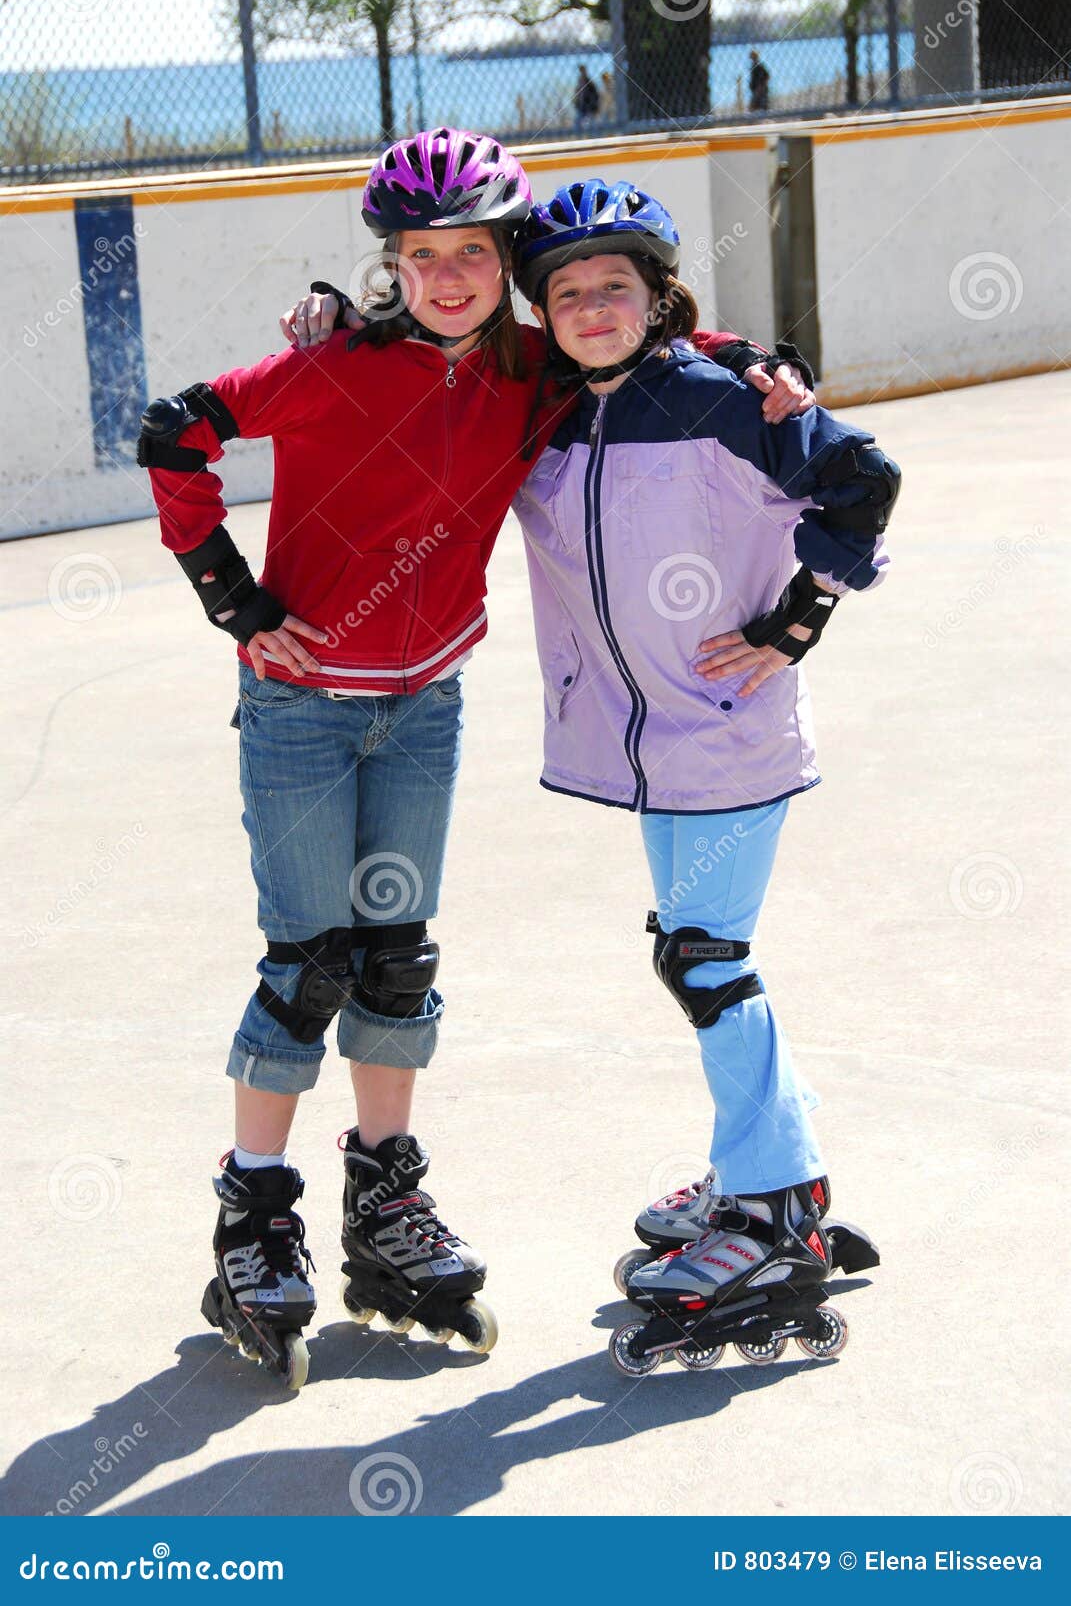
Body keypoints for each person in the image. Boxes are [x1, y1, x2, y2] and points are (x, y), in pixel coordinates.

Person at [141, 128, 812, 1388]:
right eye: (419, 256)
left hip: (425, 697)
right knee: (308, 960)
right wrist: (233, 599)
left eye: (471, 253)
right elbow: (177, 432)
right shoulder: (334, 360)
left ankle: (386, 1207)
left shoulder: (528, 370)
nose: (447, 277)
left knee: (397, 958)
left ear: (506, 257)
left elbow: (647, 346)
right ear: (390, 261)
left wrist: (757, 361)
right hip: (301, 705)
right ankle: (255, 1217)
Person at [509, 179, 899, 1375]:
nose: (589, 307)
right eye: (566, 292)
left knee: (705, 956)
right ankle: (763, 1163)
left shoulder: (727, 400)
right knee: (690, 949)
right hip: (641, 741)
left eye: (613, 285)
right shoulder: (547, 413)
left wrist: (797, 621)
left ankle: (775, 1210)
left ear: (656, 292)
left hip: (730, 727)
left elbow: (863, 481)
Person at [574, 64, 599, 129]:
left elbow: (595, 94)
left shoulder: (589, 82)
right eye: (581, 70)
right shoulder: (579, 81)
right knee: (578, 123)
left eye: (583, 70)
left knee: (590, 124)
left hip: (589, 106)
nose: (582, 72)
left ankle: (594, 137)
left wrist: (594, 106)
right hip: (581, 107)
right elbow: (577, 94)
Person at [749, 48, 771, 112]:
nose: (752, 59)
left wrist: (761, 86)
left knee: (760, 106)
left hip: (760, 89)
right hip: (756, 90)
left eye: (753, 57)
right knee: (754, 107)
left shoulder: (759, 66)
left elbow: (767, 76)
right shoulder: (753, 66)